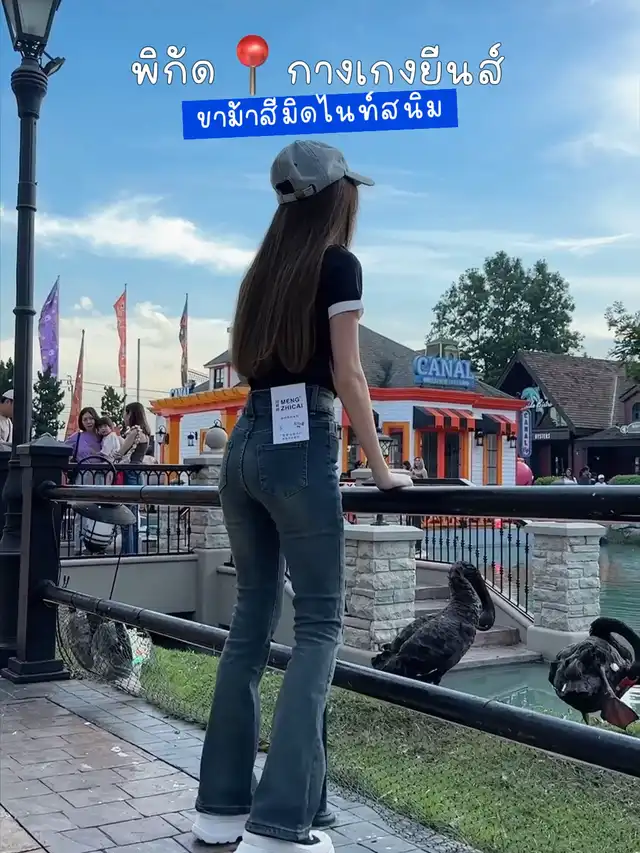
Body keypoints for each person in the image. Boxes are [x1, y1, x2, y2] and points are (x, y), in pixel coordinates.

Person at [192, 140, 412, 853]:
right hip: (300, 446)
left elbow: (256, 370)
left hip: (244, 445)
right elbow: (349, 375)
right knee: (319, 625)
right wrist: (381, 468)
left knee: (250, 622)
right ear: (337, 195)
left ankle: (222, 810)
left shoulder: (263, 272)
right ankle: (280, 824)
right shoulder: (338, 263)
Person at [114, 402, 151, 555]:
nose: (124, 416)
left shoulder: (135, 432)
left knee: (126, 515)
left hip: (129, 473)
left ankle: (127, 552)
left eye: (125, 413)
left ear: (130, 414)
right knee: (134, 516)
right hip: (138, 473)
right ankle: (133, 551)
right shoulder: (145, 433)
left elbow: (120, 453)